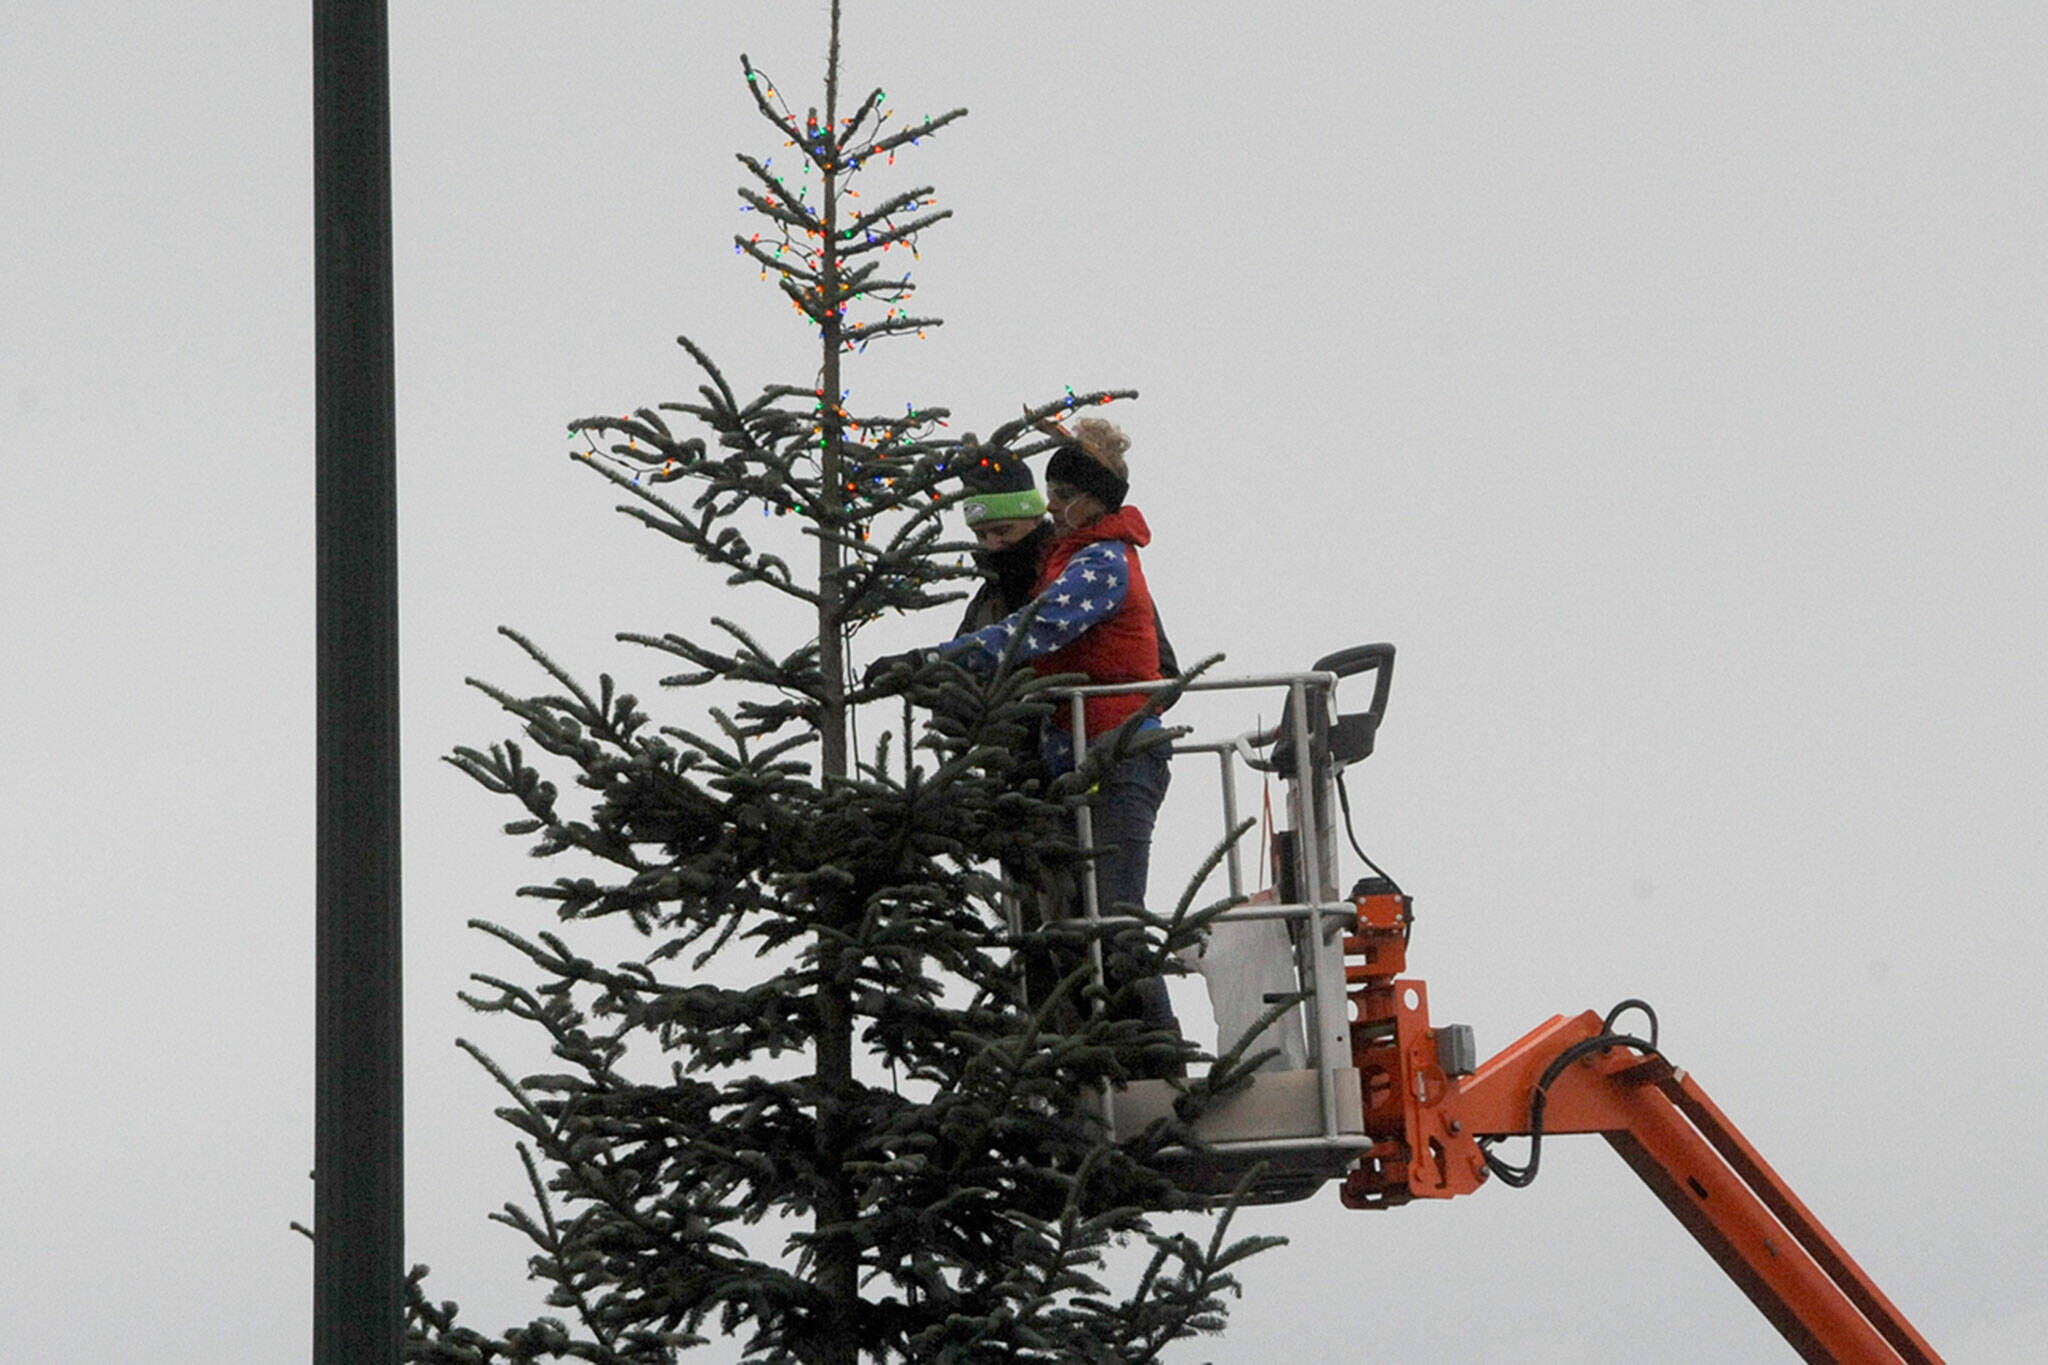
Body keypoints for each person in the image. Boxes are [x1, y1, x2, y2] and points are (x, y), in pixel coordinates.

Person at [868, 418, 1179, 1040]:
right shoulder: (1060, 564)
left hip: (1114, 756)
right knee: (1059, 929)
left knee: (1113, 923)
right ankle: (1079, 1056)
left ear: (1085, 502)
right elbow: (991, 665)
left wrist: (930, 661)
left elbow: (1033, 634)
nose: (1054, 506)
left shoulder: (1099, 565)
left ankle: (1157, 1057)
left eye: (1060, 498)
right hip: (1053, 771)